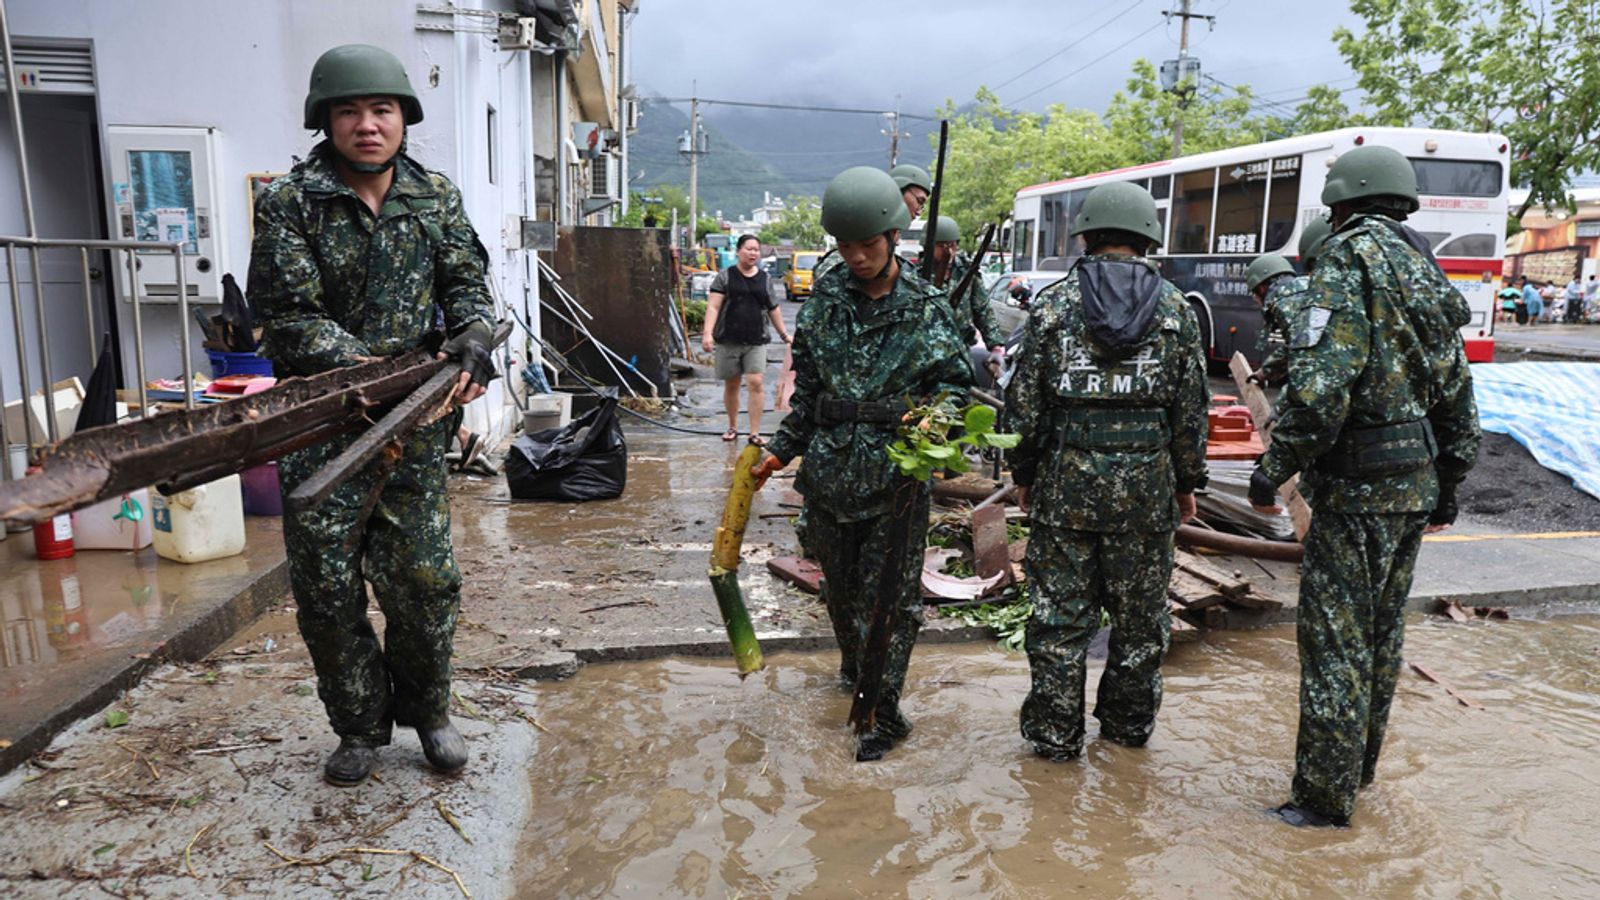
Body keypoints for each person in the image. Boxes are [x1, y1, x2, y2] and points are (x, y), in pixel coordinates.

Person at [251, 44, 496, 787]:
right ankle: (358, 727)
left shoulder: (435, 197)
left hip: (416, 428)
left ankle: (429, 715)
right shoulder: (292, 203)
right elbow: (288, 317)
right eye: (350, 111)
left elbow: (467, 282)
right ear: (326, 121)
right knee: (327, 588)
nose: (367, 125)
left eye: (382, 109)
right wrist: (379, 375)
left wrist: (475, 338)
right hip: (323, 426)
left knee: (424, 581)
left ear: (403, 118)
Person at [1248, 144, 1479, 827]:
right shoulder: (1422, 268)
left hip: (1354, 490)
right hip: (1414, 487)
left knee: (1334, 642)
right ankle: (1360, 772)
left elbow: (1321, 390)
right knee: (1381, 638)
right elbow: (1456, 390)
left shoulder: (1346, 259)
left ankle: (1322, 802)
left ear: (1341, 202)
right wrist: (1451, 477)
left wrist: (1273, 468)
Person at [750, 166, 972, 762]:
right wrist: (778, 452)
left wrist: (936, 427)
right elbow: (810, 397)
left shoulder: (926, 307)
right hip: (828, 476)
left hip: (897, 478)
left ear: (893, 237)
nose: (856, 257)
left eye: (867, 245)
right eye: (845, 247)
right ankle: (858, 671)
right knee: (842, 594)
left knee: (893, 602)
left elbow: (956, 388)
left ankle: (883, 712)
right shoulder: (823, 306)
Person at [1005, 181, 1209, 761]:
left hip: (1064, 488)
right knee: (1140, 624)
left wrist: (1024, 471)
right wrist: (1186, 483)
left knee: (1058, 622)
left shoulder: (1052, 305)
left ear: (1087, 235)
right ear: (1147, 236)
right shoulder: (1175, 308)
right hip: (1145, 493)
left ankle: (1053, 742)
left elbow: (1024, 405)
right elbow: (1191, 411)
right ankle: (1125, 738)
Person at [701, 234, 791, 444]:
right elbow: (713, 306)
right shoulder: (725, 276)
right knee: (732, 384)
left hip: (756, 340)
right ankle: (732, 427)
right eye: (749, 249)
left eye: (756, 250)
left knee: (756, 382)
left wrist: (785, 335)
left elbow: (773, 309)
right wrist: (707, 334)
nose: (753, 253)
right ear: (738, 251)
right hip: (728, 339)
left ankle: (754, 432)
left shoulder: (765, 280)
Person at [928, 215, 1006, 385]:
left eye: (952, 245)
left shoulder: (967, 272)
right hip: (925, 355)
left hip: (960, 352)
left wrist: (996, 347)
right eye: (941, 246)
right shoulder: (916, 275)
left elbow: (982, 310)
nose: (948, 251)